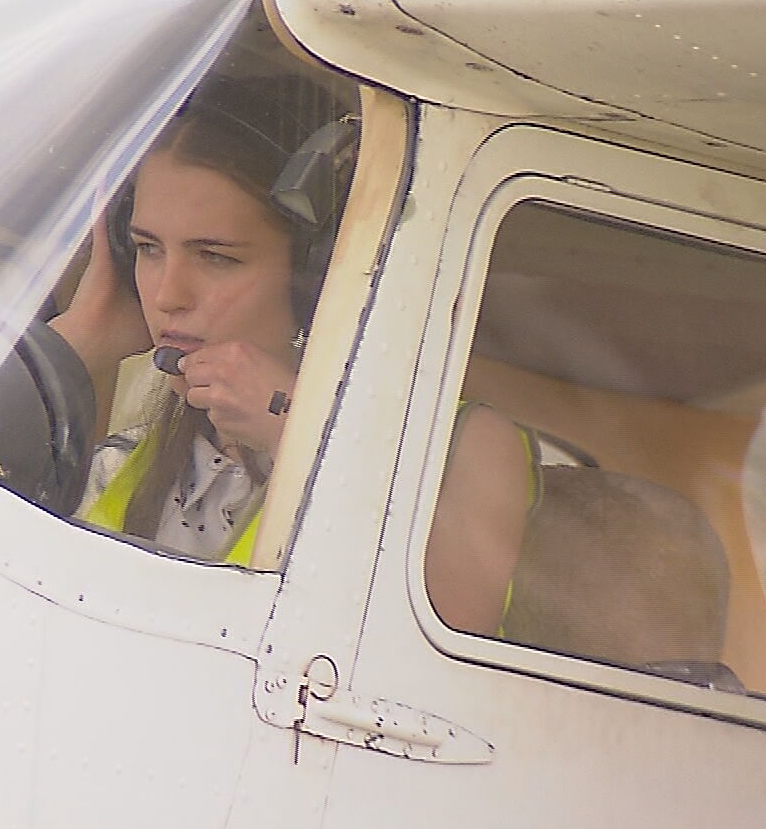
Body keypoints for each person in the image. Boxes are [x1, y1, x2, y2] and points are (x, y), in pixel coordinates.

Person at [52, 85, 535, 635]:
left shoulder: (466, 445)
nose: (167, 294)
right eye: (147, 248)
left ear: (317, 271)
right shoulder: (127, 462)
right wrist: (74, 344)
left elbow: (435, 653)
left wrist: (297, 430)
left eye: (215, 257)